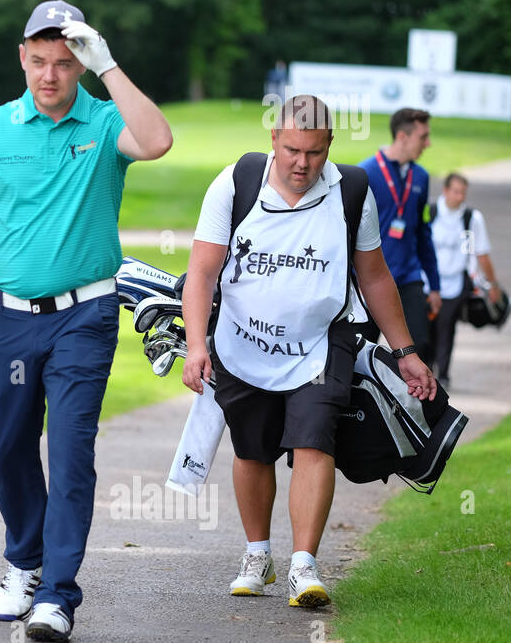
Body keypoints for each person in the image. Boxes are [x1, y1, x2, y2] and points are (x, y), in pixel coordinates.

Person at [0, 0, 173, 642]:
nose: (49, 75)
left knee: (72, 450)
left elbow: (158, 140)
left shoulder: (105, 124)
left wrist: (108, 66)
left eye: (64, 62)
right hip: (9, 321)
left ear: (78, 64)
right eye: (39, 61)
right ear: (22, 57)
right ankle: (25, 559)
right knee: (7, 448)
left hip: (85, 316)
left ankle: (57, 594)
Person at [182, 95, 436, 608]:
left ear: (330, 147)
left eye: (315, 152)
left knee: (314, 441)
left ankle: (304, 564)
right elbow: (203, 270)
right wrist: (194, 345)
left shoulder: (352, 192)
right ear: (273, 139)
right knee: (252, 450)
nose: (303, 163)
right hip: (242, 341)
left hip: (322, 342)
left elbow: (374, 275)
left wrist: (404, 350)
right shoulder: (236, 183)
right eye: (293, 150)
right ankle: (258, 554)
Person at [358, 108, 440, 352]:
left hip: (408, 278)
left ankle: (408, 392)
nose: (428, 143)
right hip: (368, 282)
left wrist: (434, 285)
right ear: (403, 137)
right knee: (360, 353)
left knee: (420, 348)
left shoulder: (421, 177)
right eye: (423, 137)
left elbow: (423, 234)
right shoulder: (365, 173)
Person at [427, 172, 502, 387]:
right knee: (425, 332)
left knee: (446, 328)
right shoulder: (429, 213)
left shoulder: (471, 218)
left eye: (463, 193)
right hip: (429, 282)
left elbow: (482, 254)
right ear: (446, 191)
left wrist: (492, 284)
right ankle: (426, 370)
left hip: (456, 283)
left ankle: (443, 375)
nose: (460, 197)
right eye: (456, 192)